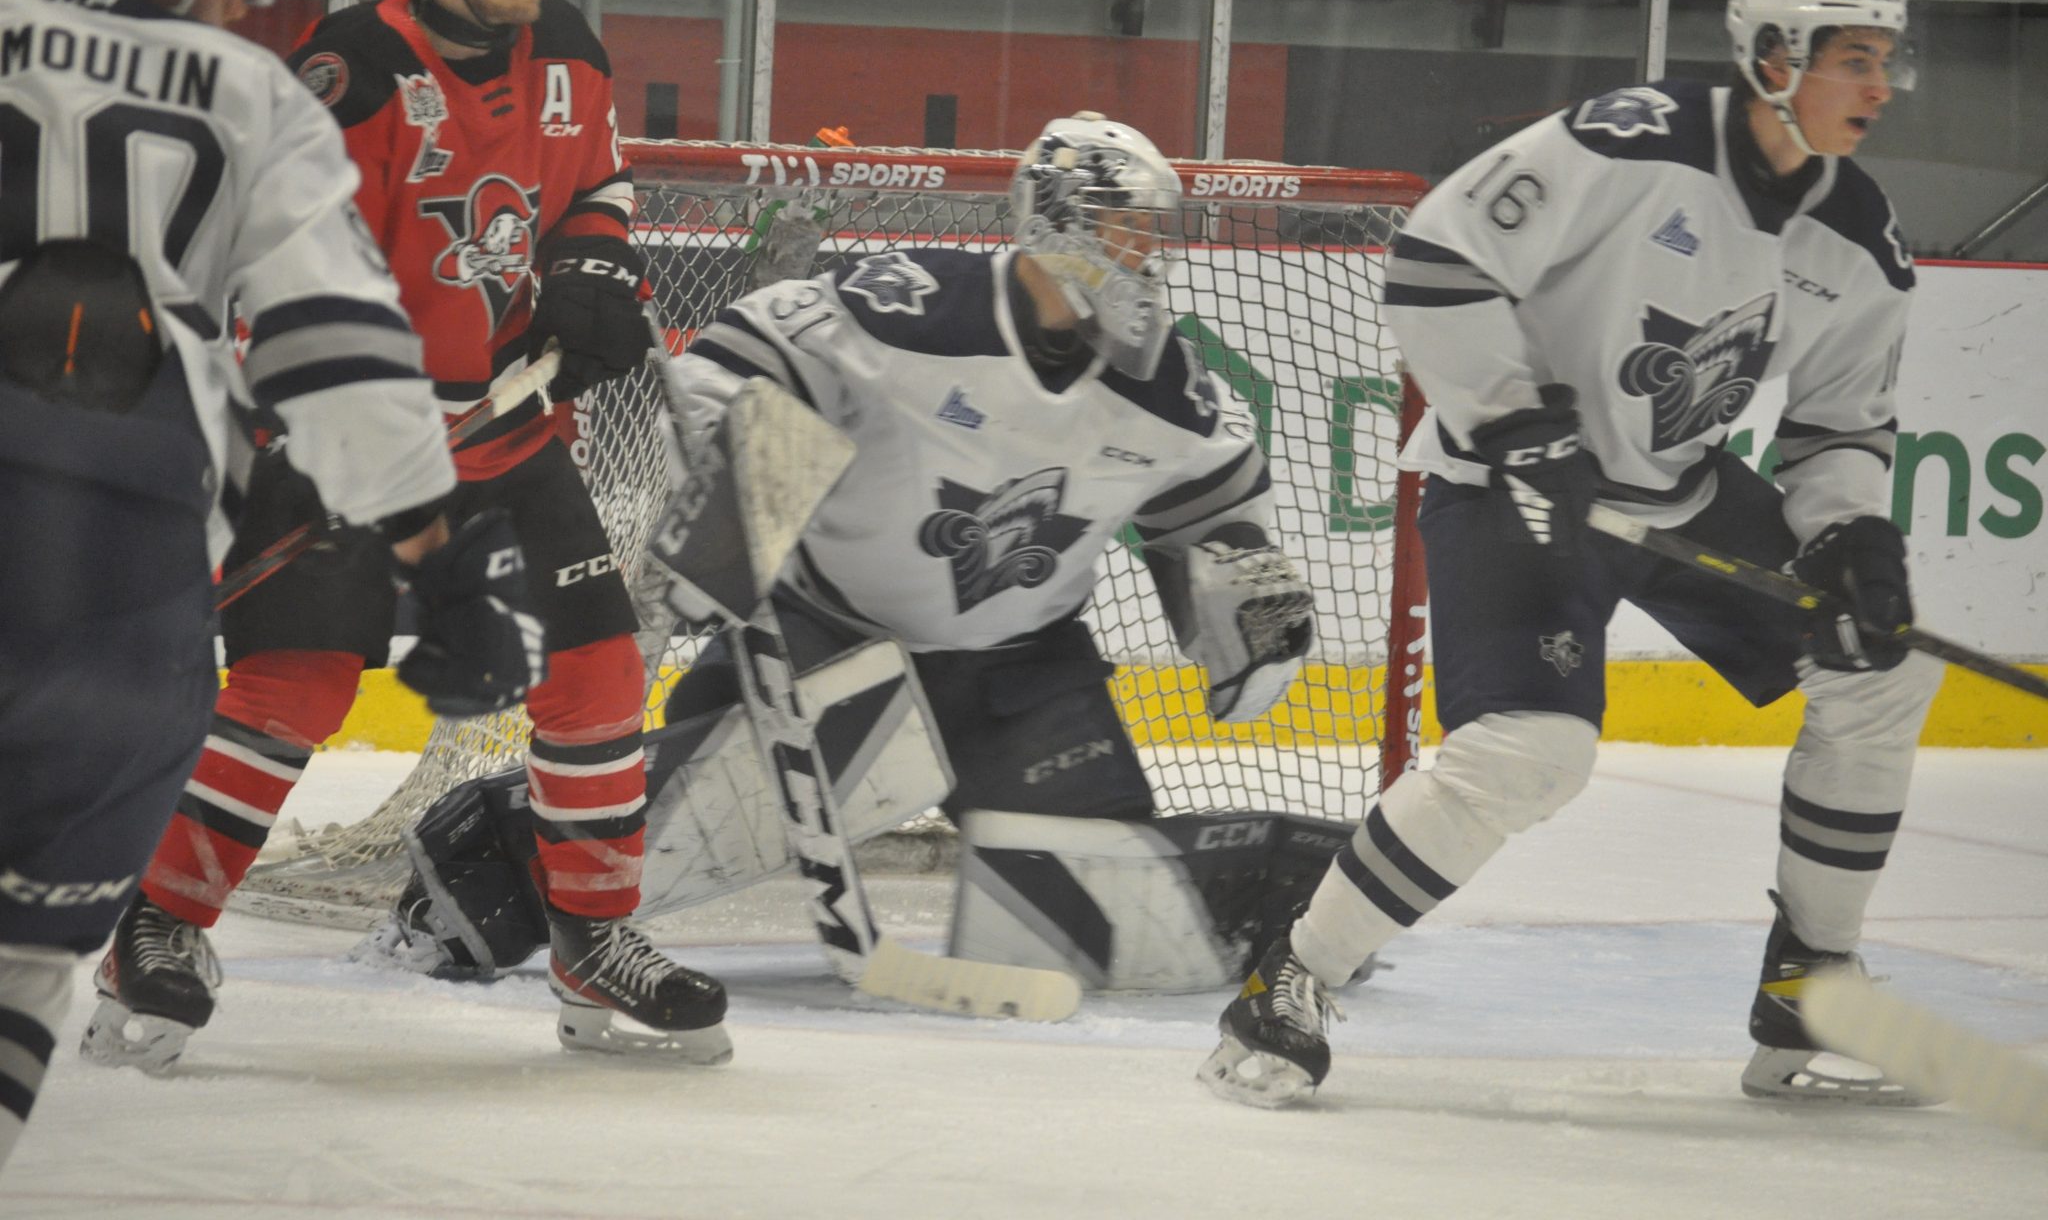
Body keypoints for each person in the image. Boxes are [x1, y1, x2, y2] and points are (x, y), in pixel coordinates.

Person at [1201, 0, 1948, 1108]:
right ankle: (1285, 980)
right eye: (1851, 59)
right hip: (1512, 488)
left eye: (1885, 63)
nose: (1876, 87)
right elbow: (1437, 259)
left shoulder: (1857, 235)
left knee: (1879, 672)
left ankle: (1807, 980)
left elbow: (1835, 430)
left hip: (1678, 485)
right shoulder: (1624, 141)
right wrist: (1512, 423)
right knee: (1531, 753)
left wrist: (1850, 530)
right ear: (1769, 55)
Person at [367, 112, 1340, 1005]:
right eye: (1127, 222)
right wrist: (734, 478)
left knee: (1095, 905)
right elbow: (746, 353)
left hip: (1021, 678)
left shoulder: (1164, 382)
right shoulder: (918, 306)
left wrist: (1246, 597)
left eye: (1151, 228)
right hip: (824, 644)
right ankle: (482, 848)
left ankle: (1330, 906)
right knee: (677, 837)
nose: (1144, 250)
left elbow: (1215, 516)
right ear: (1058, 218)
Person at [77, 0, 727, 1071]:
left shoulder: (569, 49)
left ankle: (594, 937)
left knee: (592, 677)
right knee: (295, 693)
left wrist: (591, 266)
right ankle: (157, 928)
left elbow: (595, 185)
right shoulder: (350, 73)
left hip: (510, 444)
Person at [0, 0, 545, 1172]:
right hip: (129, 591)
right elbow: (346, 351)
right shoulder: (246, 93)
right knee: (22, 972)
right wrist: (437, 560)